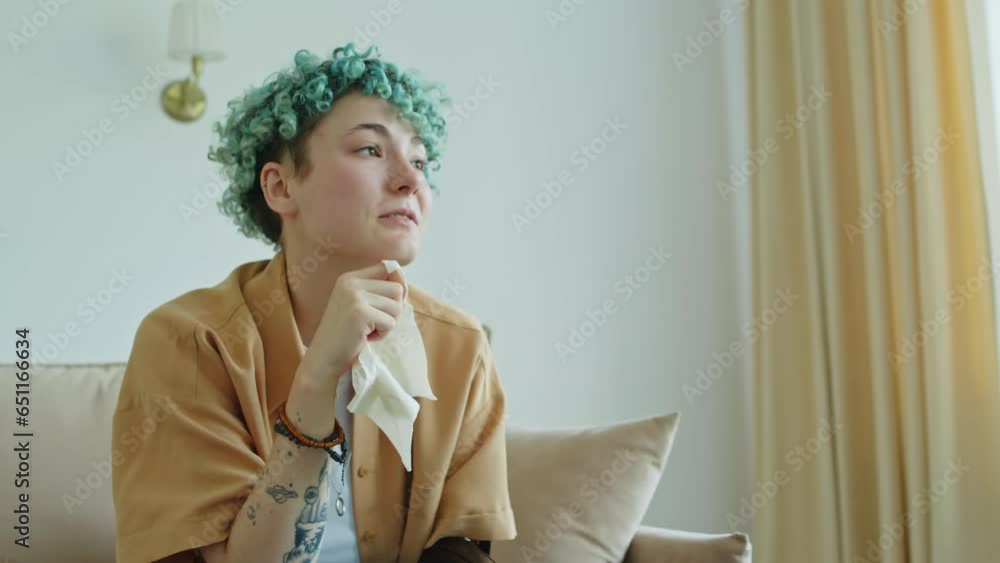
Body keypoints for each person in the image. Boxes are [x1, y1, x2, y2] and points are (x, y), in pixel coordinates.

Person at [110, 43, 516, 563]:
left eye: (419, 159)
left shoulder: (460, 347)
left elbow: (461, 551)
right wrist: (316, 382)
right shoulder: (191, 341)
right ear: (281, 187)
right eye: (371, 150)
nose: (411, 180)